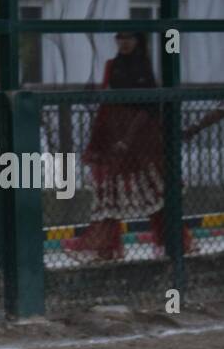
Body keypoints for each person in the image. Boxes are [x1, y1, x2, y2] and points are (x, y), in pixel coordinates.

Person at [65, 32, 192, 261]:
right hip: (115, 140)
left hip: (142, 143)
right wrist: (107, 139)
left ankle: (176, 243)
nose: (124, 42)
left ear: (137, 41)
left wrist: (129, 137)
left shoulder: (143, 70)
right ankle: (103, 247)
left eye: (129, 38)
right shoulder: (113, 67)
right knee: (108, 195)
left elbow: (149, 108)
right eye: (119, 38)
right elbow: (108, 106)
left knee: (158, 193)